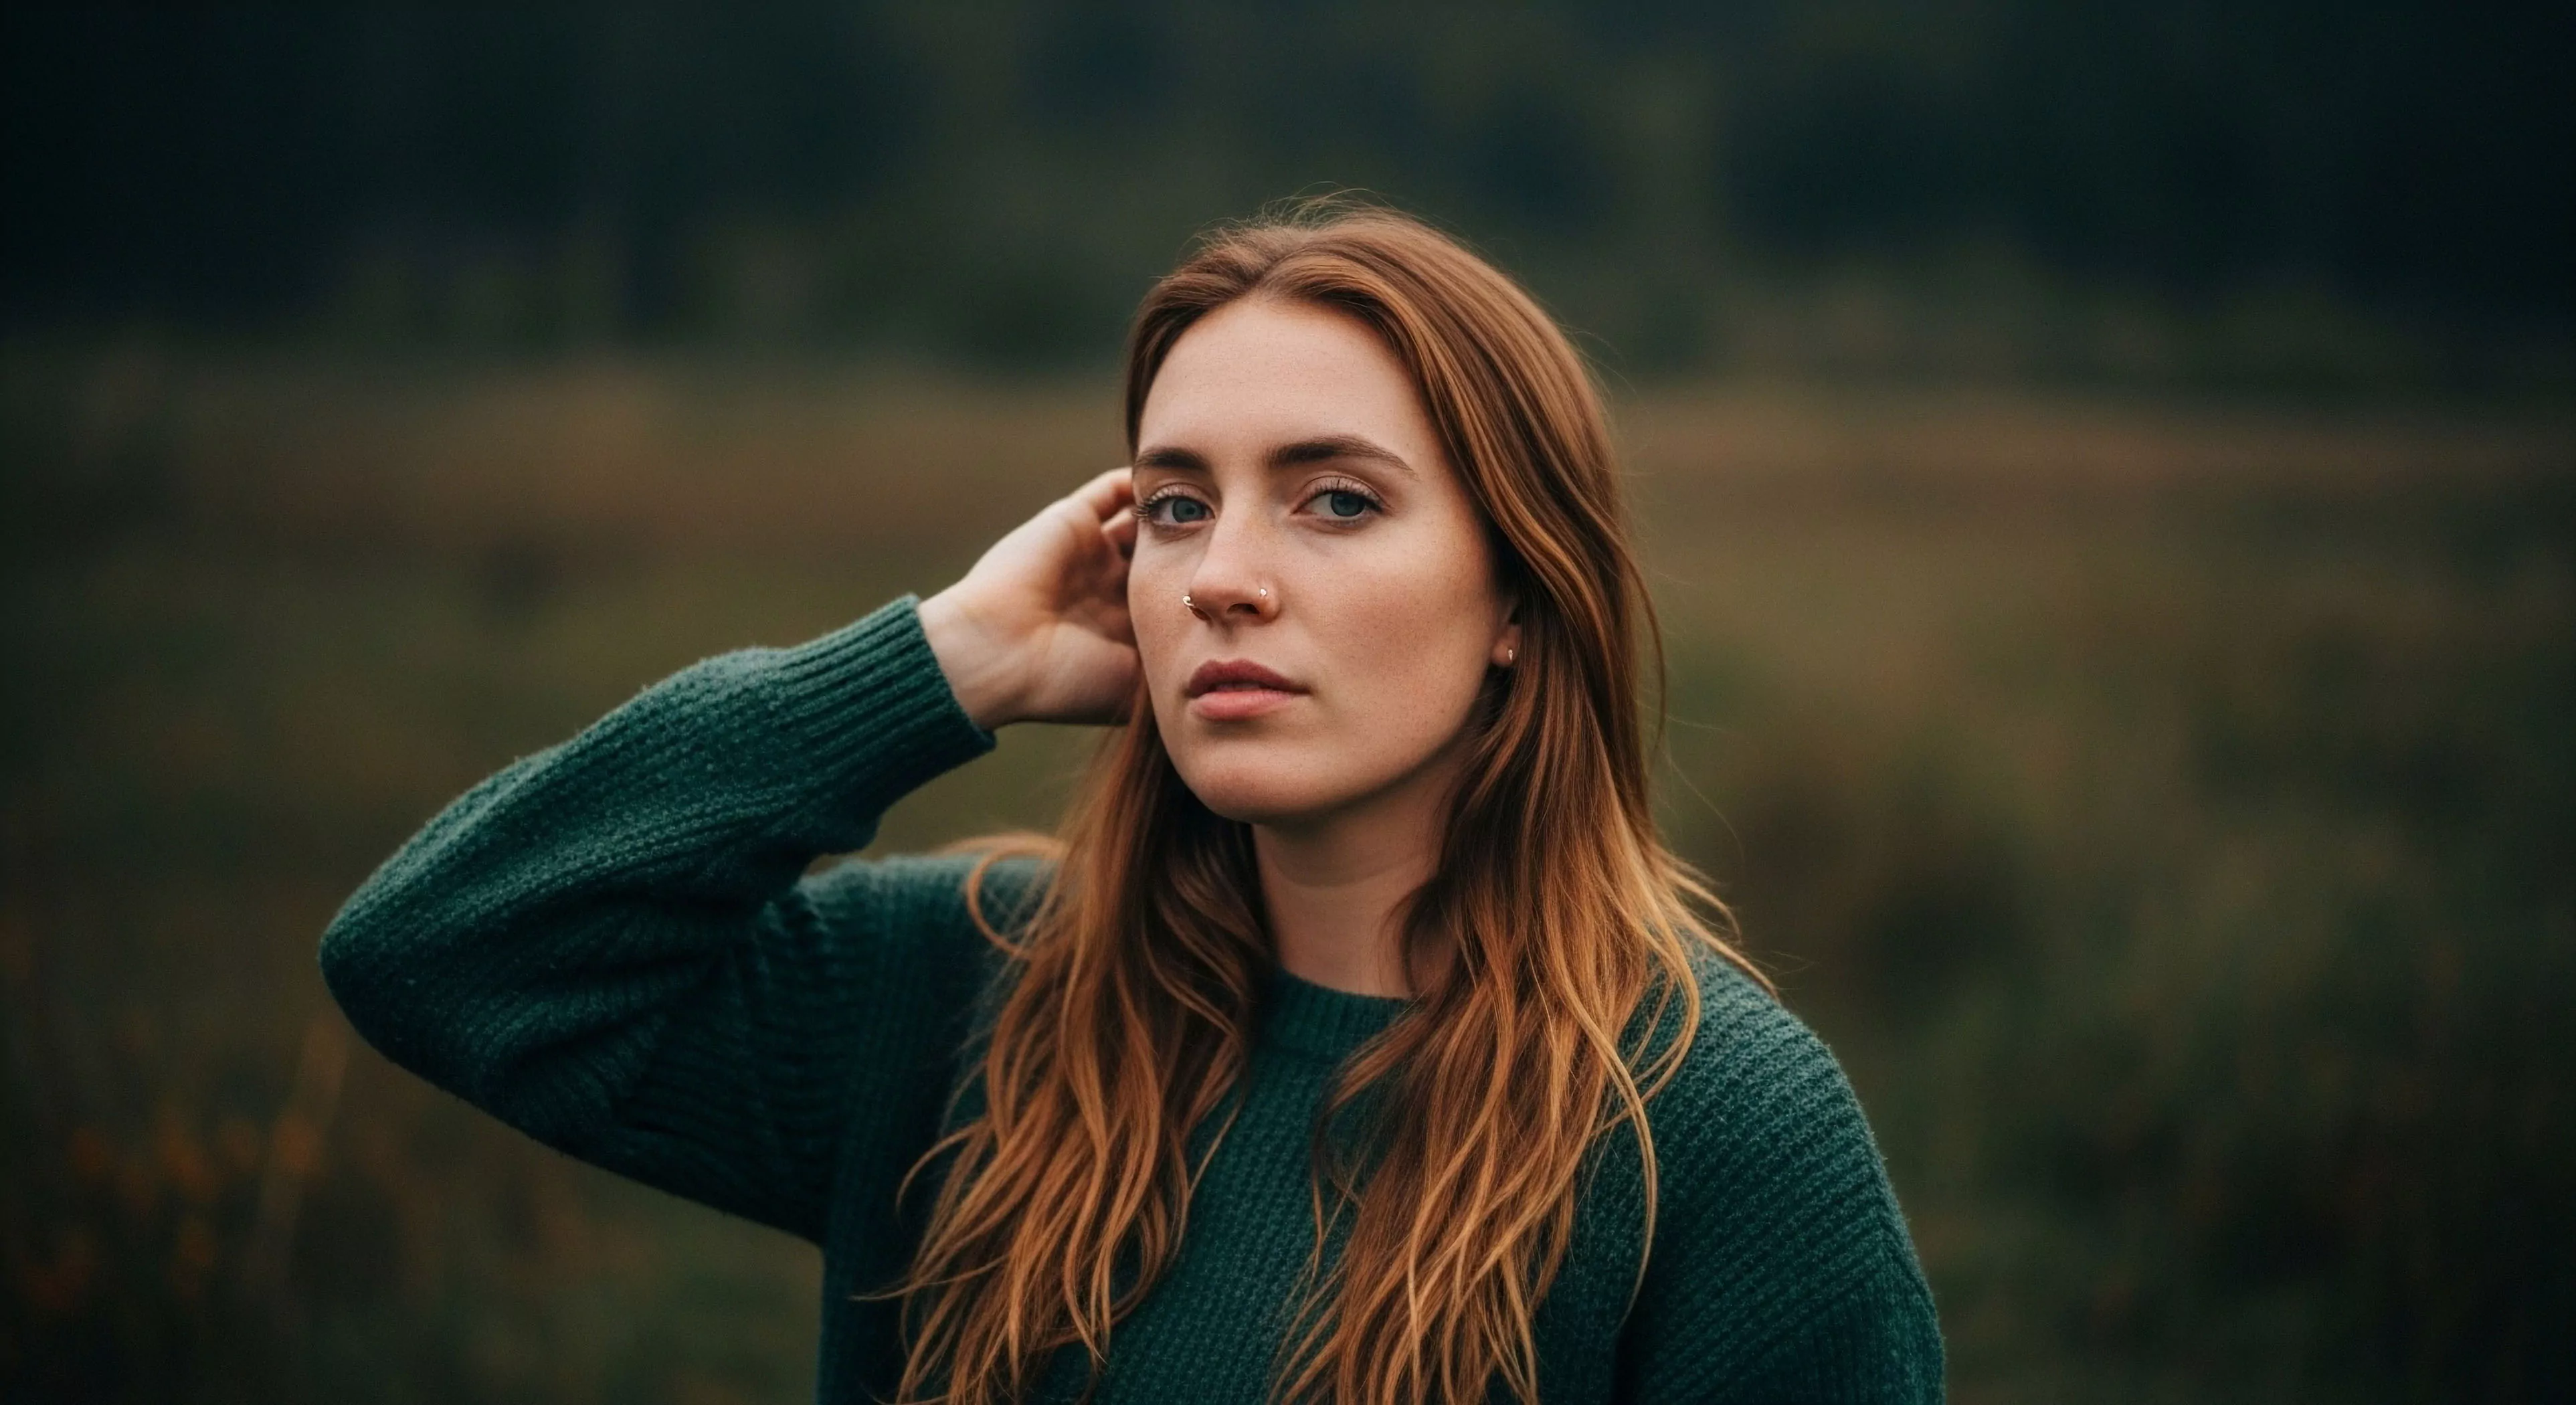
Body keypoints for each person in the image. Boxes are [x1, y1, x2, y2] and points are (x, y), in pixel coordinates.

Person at [318, 200, 1943, 1404]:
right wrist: (945, 659)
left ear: (1519, 592)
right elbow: (438, 951)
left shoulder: (1709, 1133)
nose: (1221, 578)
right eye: (1173, 505)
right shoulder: (967, 987)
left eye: (1334, 501)